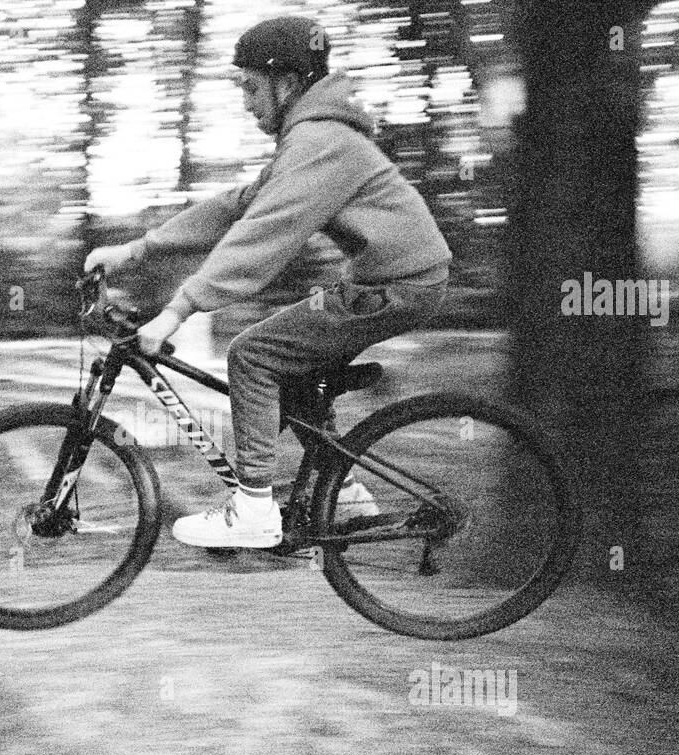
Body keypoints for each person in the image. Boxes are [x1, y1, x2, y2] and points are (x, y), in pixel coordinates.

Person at [85, 15, 452, 548]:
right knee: (291, 375)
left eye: (253, 88)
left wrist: (177, 310)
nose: (246, 102)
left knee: (253, 356)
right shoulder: (313, 139)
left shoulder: (320, 141)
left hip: (396, 288)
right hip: (389, 282)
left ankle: (253, 509)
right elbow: (238, 207)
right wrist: (136, 251)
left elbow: (262, 236)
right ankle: (344, 494)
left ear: (290, 83)